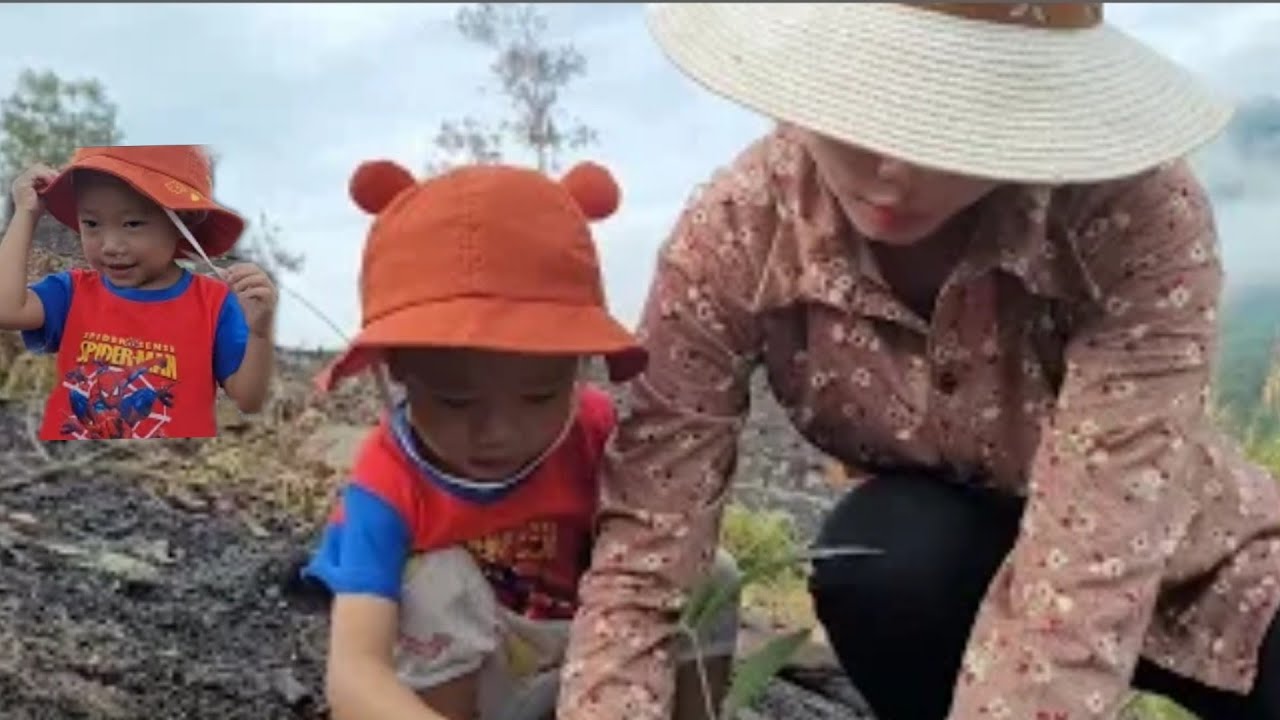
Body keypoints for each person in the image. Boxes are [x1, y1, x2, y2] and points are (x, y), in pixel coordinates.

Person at [559, 3, 1280, 720]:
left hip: (1207, 574)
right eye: (861, 103)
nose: (893, 169)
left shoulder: (1132, 215)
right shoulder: (739, 233)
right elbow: (647, 544)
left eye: (950, 114)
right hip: (947, 577)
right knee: (884, 557)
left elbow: (1095, 561)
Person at [301, 157, 740, 720]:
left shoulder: (599, 436)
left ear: (577, 371)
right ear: (398, 371)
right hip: (480, 690)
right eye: (457, 401)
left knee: (711, 572)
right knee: (434, 583)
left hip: (596, 663)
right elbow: (355, 674)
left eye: (538, 397)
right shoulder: (387, 483)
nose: (498, 431)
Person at [0, 145, 277, 439]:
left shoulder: (213, 303)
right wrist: (25, 215)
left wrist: (259, 332)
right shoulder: (72, 293)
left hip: (168, 475)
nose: (110, 245)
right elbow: (6, 310)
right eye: (91, 224)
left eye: (132, 224)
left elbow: (249, 400)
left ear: (186, 220)